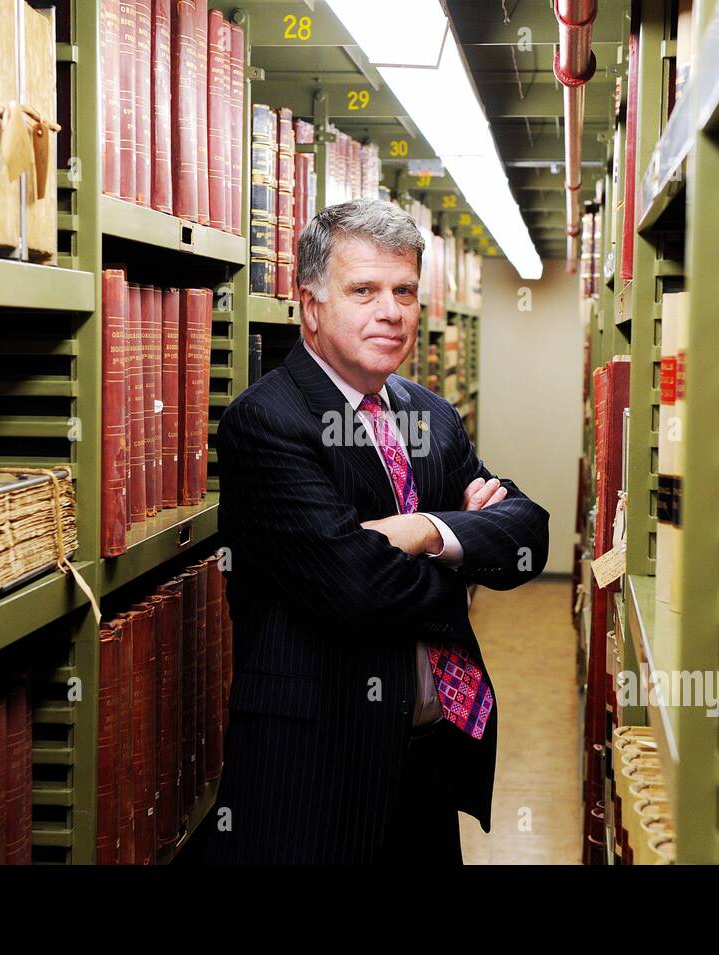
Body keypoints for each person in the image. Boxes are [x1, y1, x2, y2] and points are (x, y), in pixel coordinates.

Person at [202, 197, 549, 864]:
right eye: (363, 290)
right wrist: (463, 548)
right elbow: (356, 586)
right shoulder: (267, 421)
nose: (390, 310)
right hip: (315, 773)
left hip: (426, 758)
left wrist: (422, 529)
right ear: (310, 303)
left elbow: (528, 533)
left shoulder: (432, 414)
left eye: (404, 291)